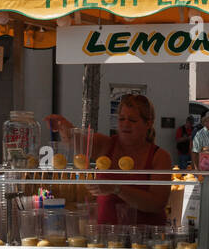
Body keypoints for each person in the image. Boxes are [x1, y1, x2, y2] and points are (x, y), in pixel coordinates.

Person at [47, 94, 172, 227]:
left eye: (133, 120)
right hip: (106, 235)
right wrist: (64, 127)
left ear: (148, 123)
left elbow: (157, 203)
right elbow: (76, 142)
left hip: (146, 239)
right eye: (121, 119)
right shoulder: (105, 144)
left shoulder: (160, 157)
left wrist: (116, 188)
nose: (125, 124)